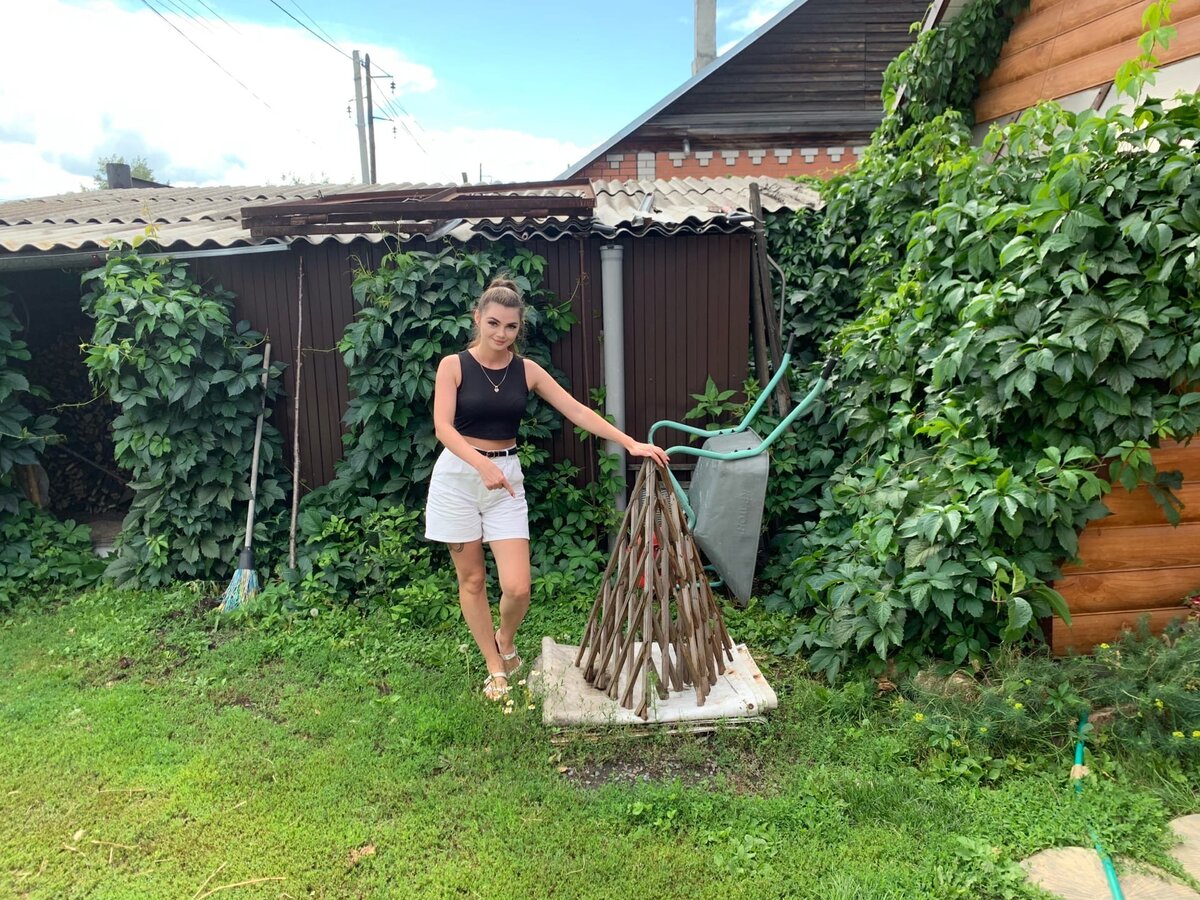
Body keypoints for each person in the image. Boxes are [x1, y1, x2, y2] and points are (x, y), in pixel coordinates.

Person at [426, 276, 670, 701]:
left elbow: (576, 410)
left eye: (511, 327)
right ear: (477, 319)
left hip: (506, 480)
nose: (501, 334)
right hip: (459, 479)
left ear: (520, 329)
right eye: (494, 324)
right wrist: (479, 463)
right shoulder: (453, 366)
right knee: (472, 580)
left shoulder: (527, 371)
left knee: (518, 587)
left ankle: (505, 638)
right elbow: (443, 427)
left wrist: (630, 442)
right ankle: (493, 665)